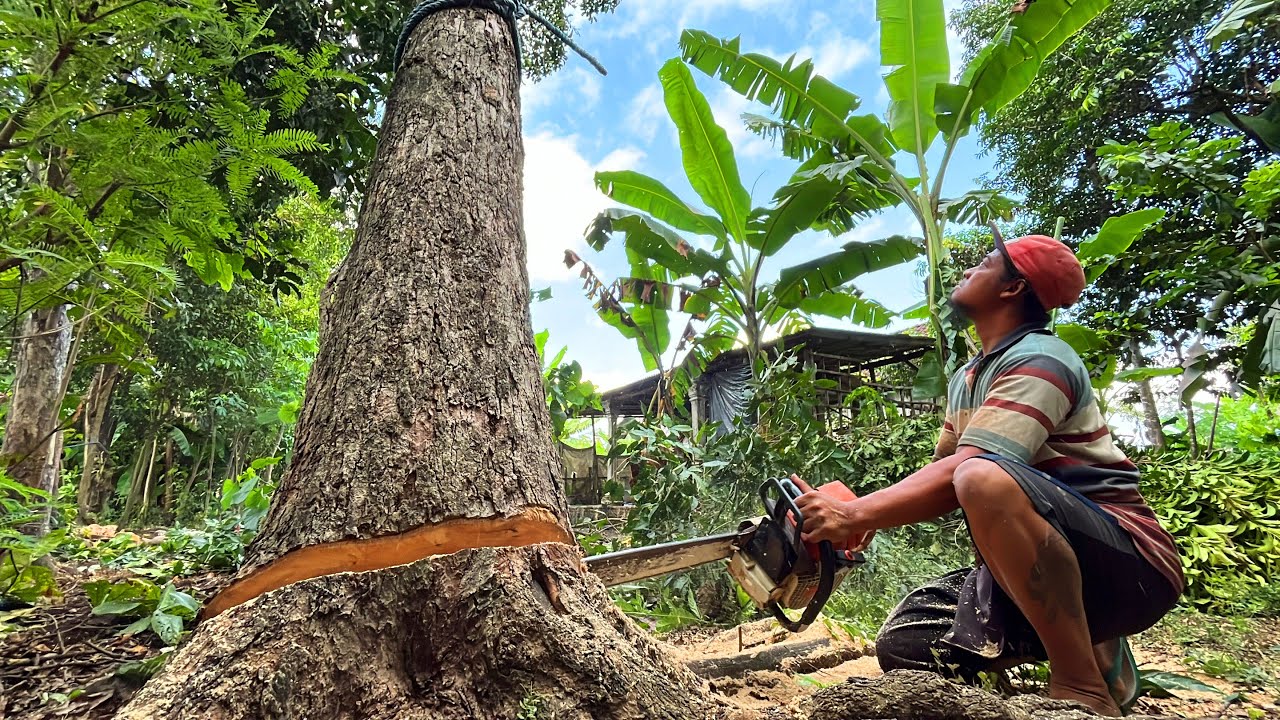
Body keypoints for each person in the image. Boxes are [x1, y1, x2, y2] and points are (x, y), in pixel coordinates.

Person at [792, 234, 1183, 717]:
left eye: (983, 262)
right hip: (1039, 561)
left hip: (1128, 565)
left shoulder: (1042, 357)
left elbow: (971, 469)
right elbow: (943, 472)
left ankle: (1083, 685)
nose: (968, 270)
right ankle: (1075, 647)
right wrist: (865, 512)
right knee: (908, 644)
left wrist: (851, 513)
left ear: (1013, 288)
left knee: (983, 477)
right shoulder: (969, 376)